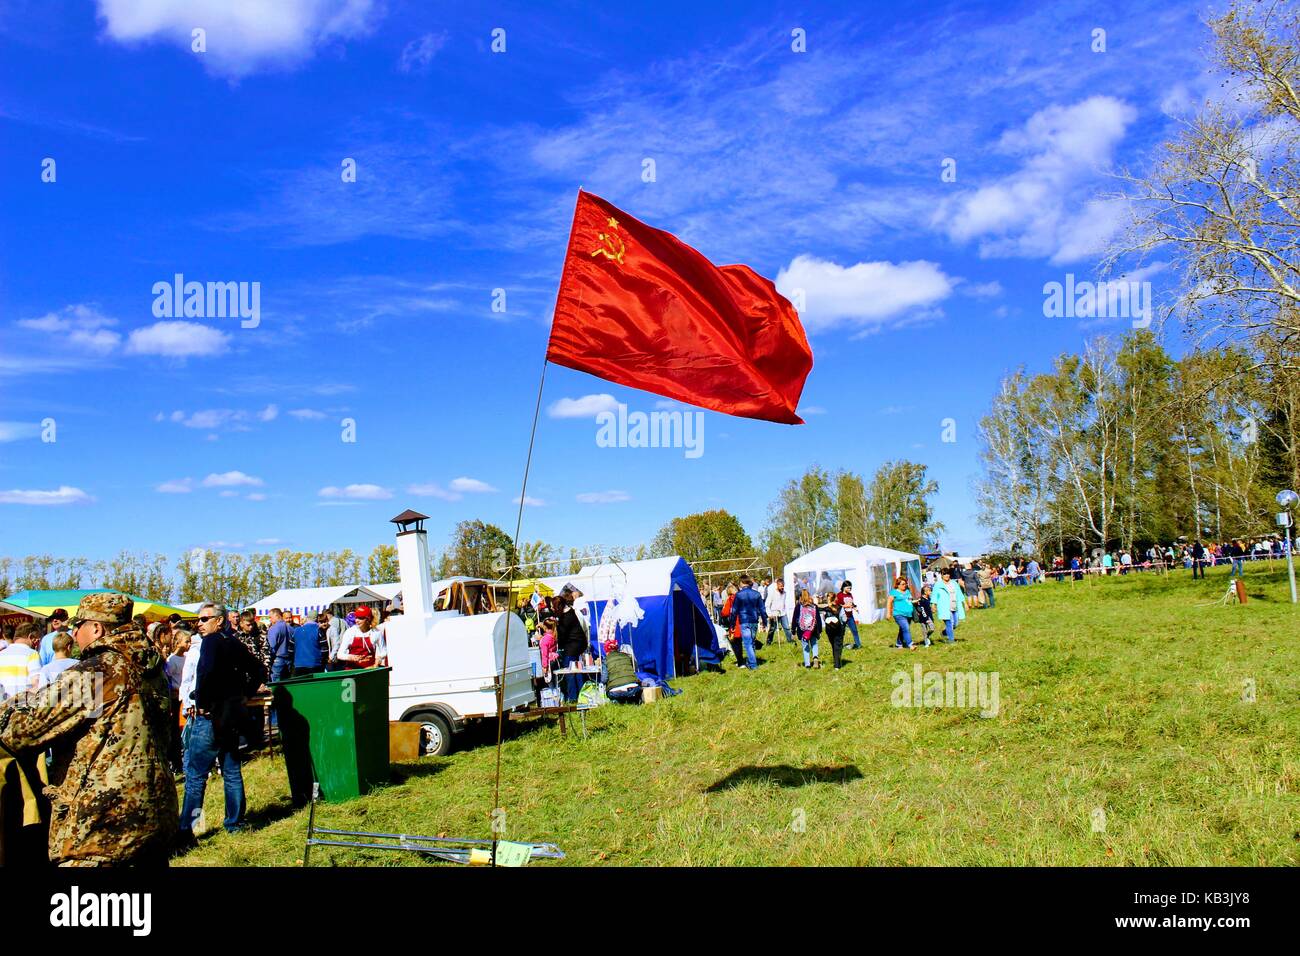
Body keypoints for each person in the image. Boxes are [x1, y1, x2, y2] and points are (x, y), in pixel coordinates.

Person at [0, 592, 178, 866]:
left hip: (101, 824)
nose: (73, 633)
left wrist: (9, 709)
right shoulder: (148, 667)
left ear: (96, 627)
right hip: (153, 815)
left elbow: (21, 732)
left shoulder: (98, 672)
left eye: (78, 624)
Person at [177, 603, 265, 845]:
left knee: (196, 776)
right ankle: (234, 823)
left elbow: (205, 672)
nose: (199, 624)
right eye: (198, 620)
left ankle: (186, 830)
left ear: (219, 620)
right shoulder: (233, 641)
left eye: (205, 619)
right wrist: (243, 695)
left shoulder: (212, 641)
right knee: (231, 771)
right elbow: (258, 669)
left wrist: (203, 700)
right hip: (231, 715)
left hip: (210, 717)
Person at [731, 575, 768, 670]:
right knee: (751, 643)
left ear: (742, 583)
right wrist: (765, 622)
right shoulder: (757, 594)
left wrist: (732, 624)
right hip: (754, 620)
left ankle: (753, 665)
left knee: (748, 643)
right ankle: (751, 661)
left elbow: (734, 611)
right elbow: (762, 609)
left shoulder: (738, 595)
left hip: (744, 621)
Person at [0, 622, 41, 699]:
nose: (37, 644)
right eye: (37, 640)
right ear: (30, 637)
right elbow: (37, 684)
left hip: (2, 706)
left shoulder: (1, 654)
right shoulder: (32, 654)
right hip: (21, 706)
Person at [336, 605, 379, 670]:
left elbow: (382, 652)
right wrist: (351, 657)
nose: (357, 620)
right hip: (352, 671)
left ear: (368, 619)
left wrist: (376, 664)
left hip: (370, 671)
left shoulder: (375, 633)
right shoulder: (350, 632)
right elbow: (340, 654)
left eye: (360, 618)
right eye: (356, 617)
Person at [792, 590, 822, 669]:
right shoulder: (814, 606)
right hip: (813, 629)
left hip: (802, 631)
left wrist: (793, 631)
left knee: (805, 647)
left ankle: (807, 664)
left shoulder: (798, 606)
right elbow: (818, 619)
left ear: (800, 597)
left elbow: (794, 619)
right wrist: (820, 630)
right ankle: (815, 657)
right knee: (814, 644)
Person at [887, 575, 915, 649]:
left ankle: (898, 644)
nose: (904, 585)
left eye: (905, 584)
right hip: (899, 614)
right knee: (906, 628)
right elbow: (889, 602)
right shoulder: (894, 592)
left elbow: (910, 601)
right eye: (903, 584)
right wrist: (888, 613)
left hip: (908, 614)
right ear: (898, 585)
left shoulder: (907, 591)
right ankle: (910, 644)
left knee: (903, 629)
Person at [834, 581, 862, 650]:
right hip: (842, 617)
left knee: (854, 630)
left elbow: (852, 603)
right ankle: (839, 646)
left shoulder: (850, 595)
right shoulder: (839, 595)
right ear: (843, 587)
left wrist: (855, 608)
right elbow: (836, 604)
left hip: (850, 616)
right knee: (841, 632)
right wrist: (845, 606)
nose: (850, 589)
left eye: (850, 588)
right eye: (848, 588)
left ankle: (858, 645)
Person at [765, 578, 793, 644]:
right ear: (777, 585)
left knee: (787, 627)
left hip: (783, 613)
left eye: (783, 586)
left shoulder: (784, 593)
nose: (782, 587)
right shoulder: (772, 593)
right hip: (774, 614)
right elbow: (767, 604)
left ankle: (790, 640)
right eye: (780, 586)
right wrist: (769, 614)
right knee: (772, 629)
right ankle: (768, 642)